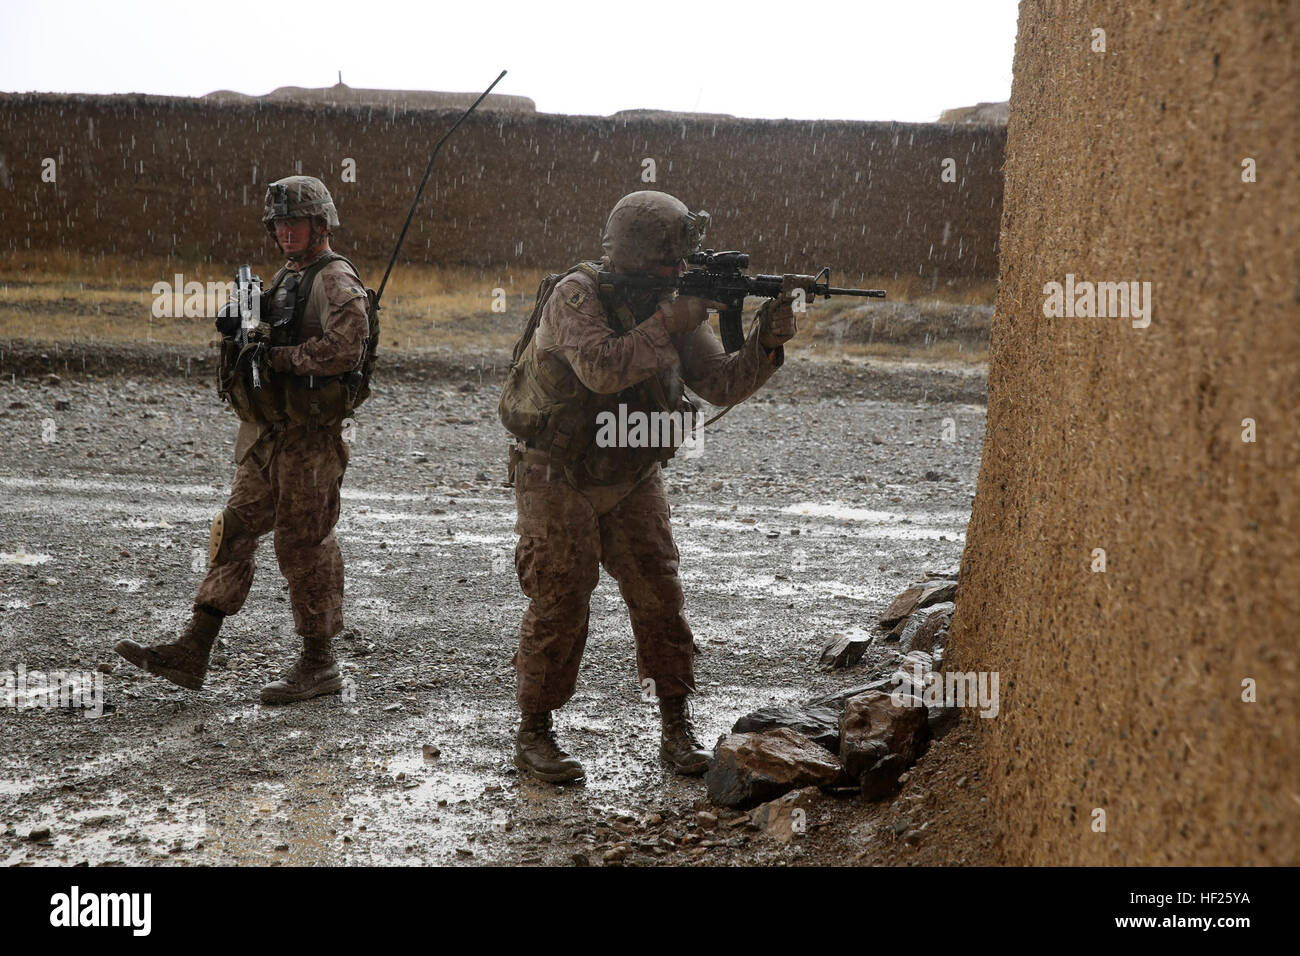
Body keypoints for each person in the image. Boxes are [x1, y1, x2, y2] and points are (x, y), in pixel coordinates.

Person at [499, 190, 796, 782]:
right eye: (671, 259)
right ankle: (534, 732)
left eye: (684, 260)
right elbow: (602, 368)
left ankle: (675, 725)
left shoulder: (668, 301)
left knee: (659, 592)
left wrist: (766, 342)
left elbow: (719, 382)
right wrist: (671, 319)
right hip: (558, 471)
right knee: (560, 596)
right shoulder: (576, 296)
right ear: (638, 253)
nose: (680, 271)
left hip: (631, 470)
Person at [115, 176, 370, 704]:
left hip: (309, 440)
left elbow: (348, 348)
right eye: (278, 223)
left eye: (294, 221)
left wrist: (280, 358)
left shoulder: (334, 279)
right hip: (266, 436)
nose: (285, 231)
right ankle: (194, 649)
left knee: (305, 545)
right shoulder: (286, 278)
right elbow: (265, 341)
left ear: (321, 224)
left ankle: (320, 665)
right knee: (232, 530)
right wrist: (240, 332)